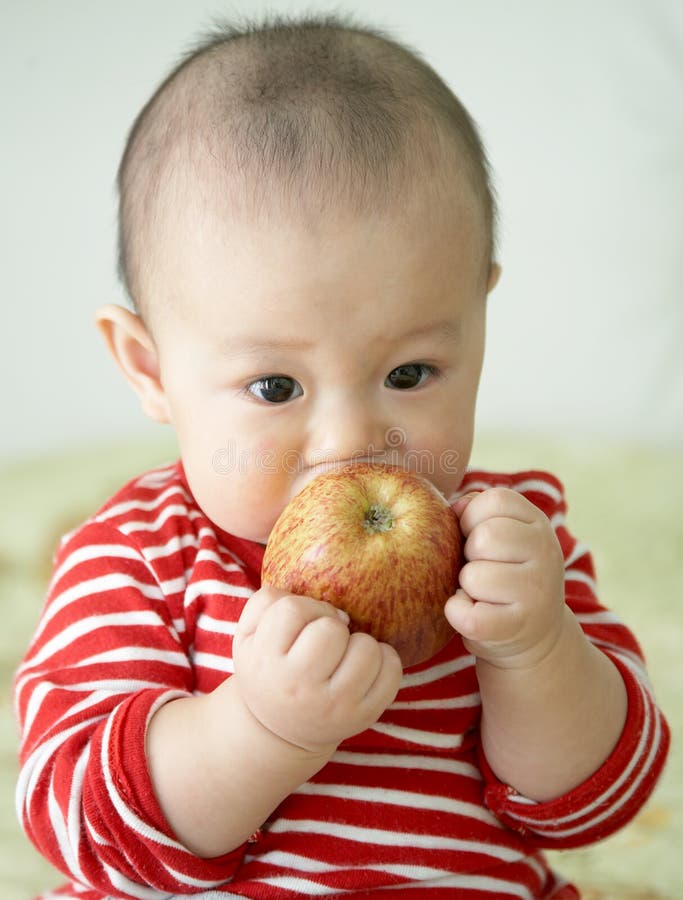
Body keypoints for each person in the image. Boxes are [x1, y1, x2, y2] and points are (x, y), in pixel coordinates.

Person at [14, 14, 669, 899]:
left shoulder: (506, 546)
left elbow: (595, 807)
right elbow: (79, 826)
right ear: (151, 369)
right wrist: (258, 727)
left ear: (478, 322)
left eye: (409, 371)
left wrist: (536, 651)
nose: (351, 442)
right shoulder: (137, 554)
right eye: (275, 387)